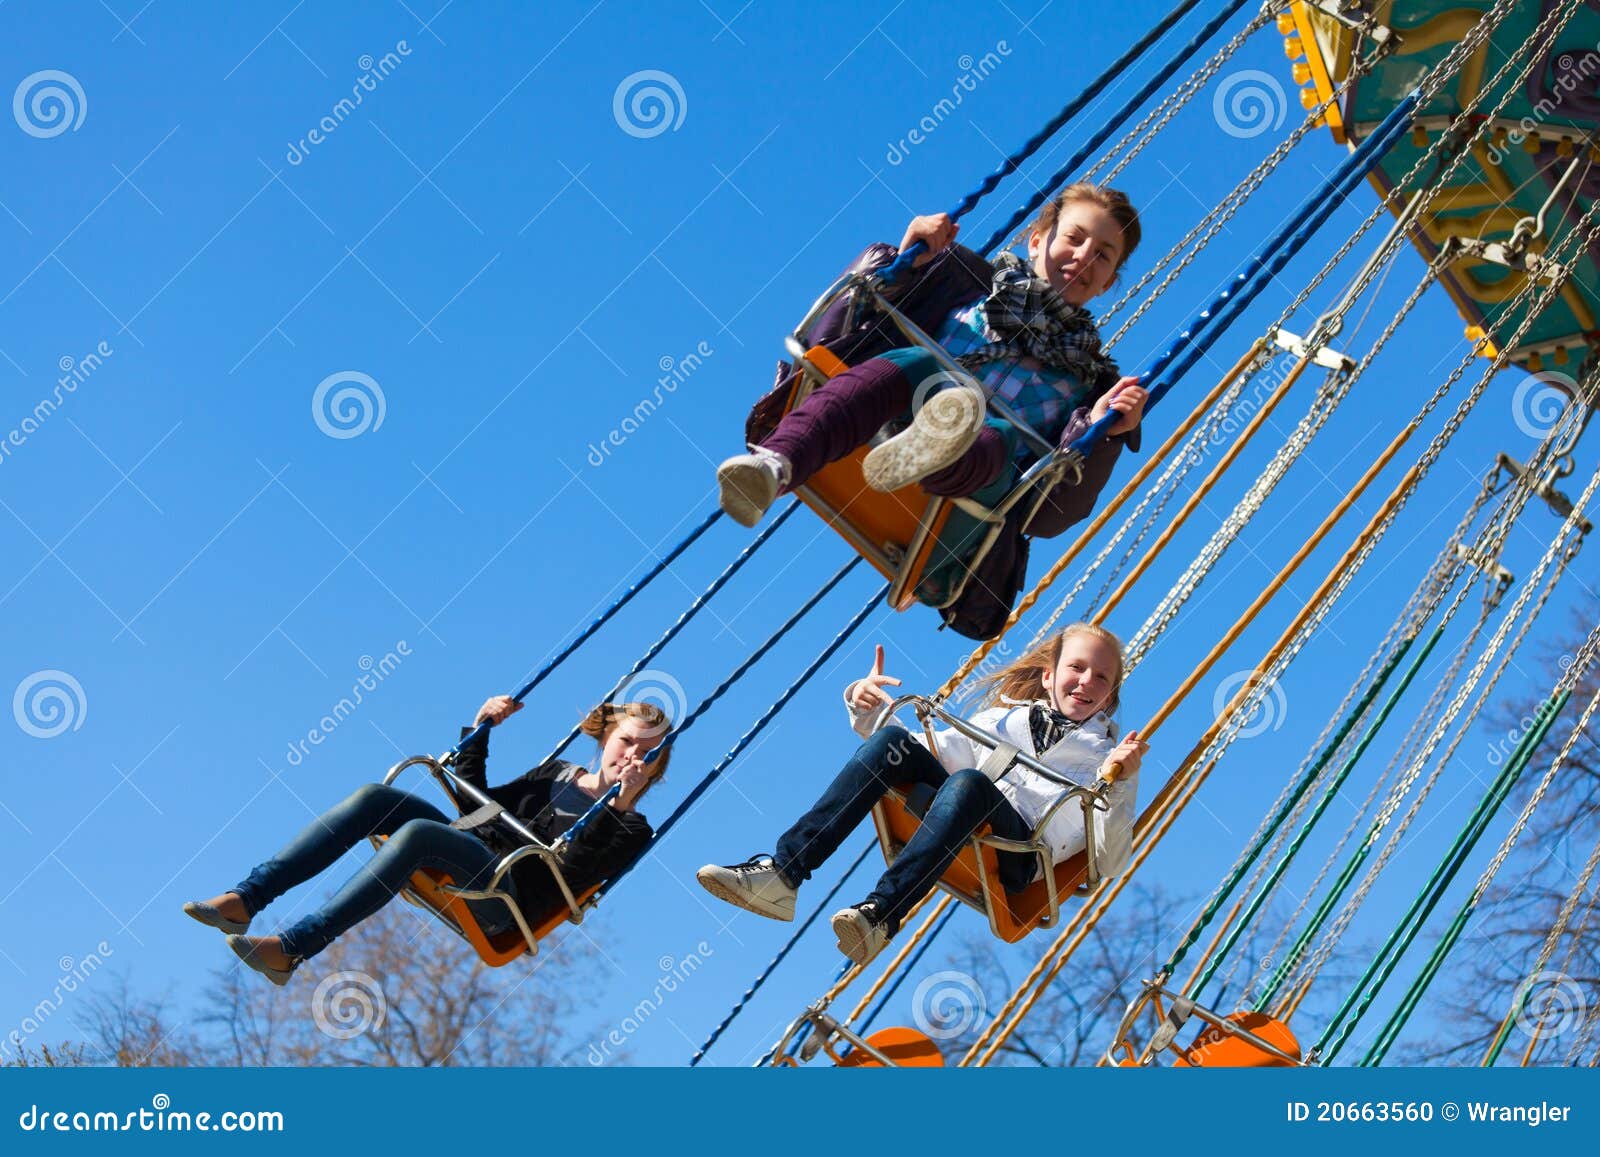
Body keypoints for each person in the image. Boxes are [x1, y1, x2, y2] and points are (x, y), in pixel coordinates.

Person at [696, 626, 1145, 965]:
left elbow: (1109, 861)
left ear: (1110, 695)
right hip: (961, 805)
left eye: (1102, 677)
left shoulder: (1103, 759)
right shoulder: (1001, 721)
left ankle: (880, 914)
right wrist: (869, 710)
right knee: (892, 746)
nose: (1087, 681)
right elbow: (931, 751)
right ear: (1049, 676)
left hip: (1021, 849)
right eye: (1077, 668)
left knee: (970, 784)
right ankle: (784, 873)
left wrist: (1121, 780)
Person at [718, 183, 1148, 534]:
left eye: (1102, 255)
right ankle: (774, 466)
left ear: (1107, 284)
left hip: (965, 494)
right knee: (916, 362)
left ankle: (932, 454)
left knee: (992, 431)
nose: (1083, 257)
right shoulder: (956, 282)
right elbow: (829, 338)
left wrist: (1102, 436)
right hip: (881, 420)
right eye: (1074, 238)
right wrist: (902, 266)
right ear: (1036, 242)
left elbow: (1053, 515)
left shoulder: (1087, 385)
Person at [183, 697, 671, 985]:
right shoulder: (557, 773)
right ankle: (248, 897)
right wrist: (481, 729)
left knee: (419, 833)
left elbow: (572, 874)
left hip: (507, 899)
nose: (632, 756)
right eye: (627, 741)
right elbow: (476, 803)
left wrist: (619, 805)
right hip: (466, 849)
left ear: (656, 768)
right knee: (375, 798)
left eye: (646, 754)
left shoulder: (632, 827)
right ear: (607, 738)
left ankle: (293, 947)